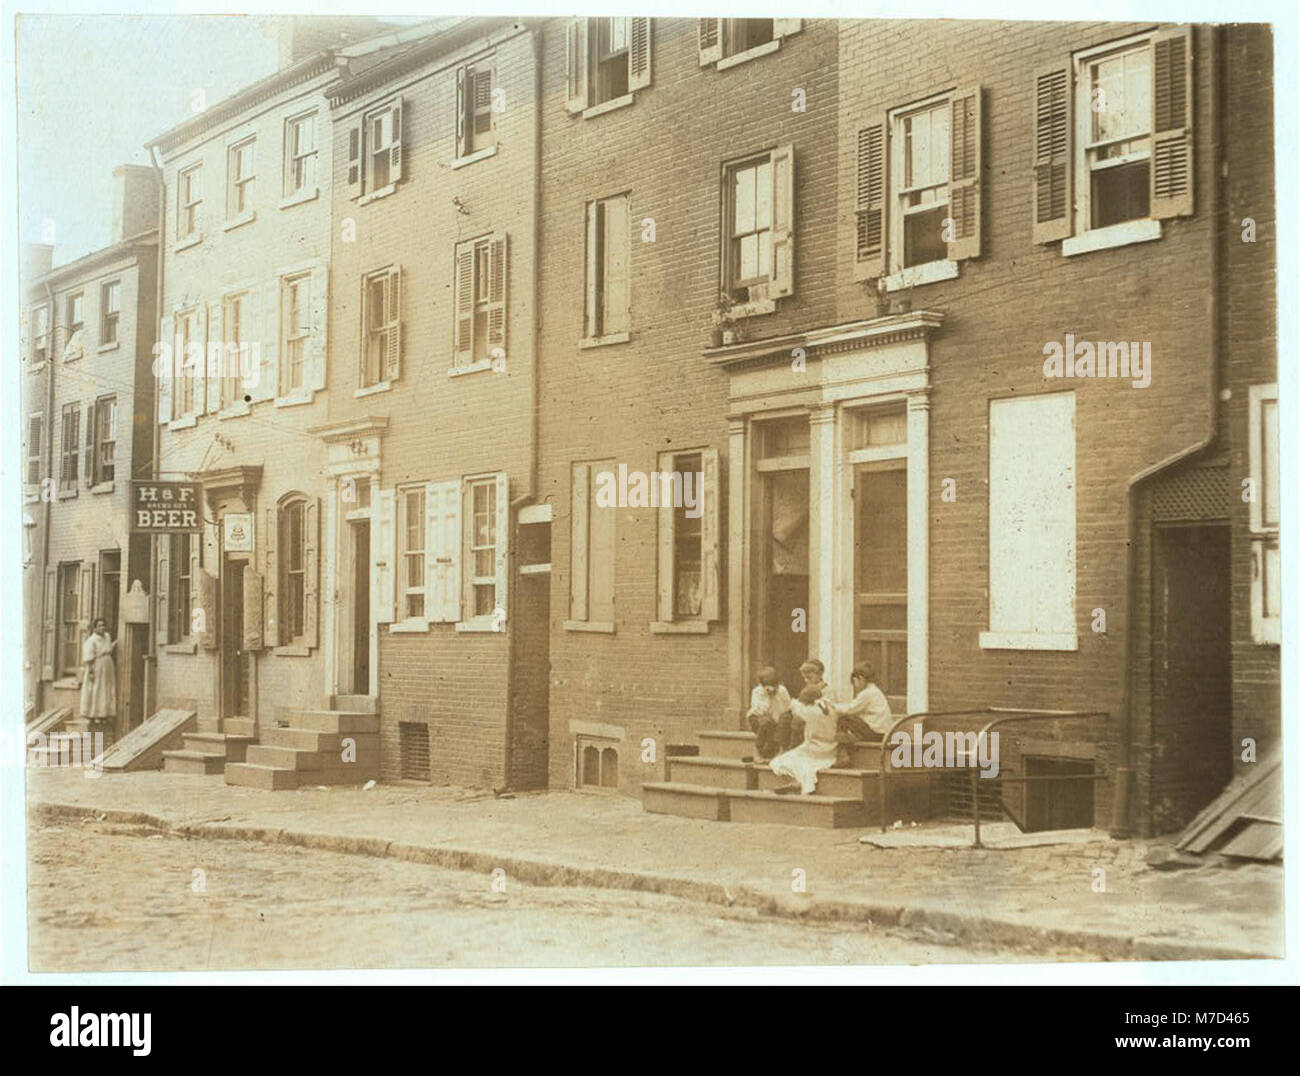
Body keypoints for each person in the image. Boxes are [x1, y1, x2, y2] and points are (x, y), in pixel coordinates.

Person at [769, 684, 839, 795]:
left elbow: (793, 706)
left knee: (780, 762)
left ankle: (800, 782)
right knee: (805, 764)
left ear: (807, 702)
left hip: (813, 749)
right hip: (831, 748)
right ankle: (799, 781)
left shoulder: (809, 711)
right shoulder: (829, 707)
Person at [777, 659, 829, 751]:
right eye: (804, 678)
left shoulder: (827, 690)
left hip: (819, 719)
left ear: (820, 675)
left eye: (809, 678)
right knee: (784, 718)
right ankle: (783, 748)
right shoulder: (807, 688)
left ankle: (794, 748)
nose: (806, 680)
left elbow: (826, 709)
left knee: (798, 721)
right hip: (805, 713)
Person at [834, 663, 892, 739]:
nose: (854, 686)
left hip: (876, 733)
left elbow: (850, 709)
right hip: (881, 731)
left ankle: (844, 746)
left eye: (854, 682)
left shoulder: (867, 693)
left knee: (845, 719)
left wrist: (832, 706)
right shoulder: (874, 690)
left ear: (861, 679)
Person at [746, 666, 791, 762]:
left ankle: (781, 750)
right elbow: (759, 711)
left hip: (777, 718)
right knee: (766, 721)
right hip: (758, 718)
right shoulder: (757, 692)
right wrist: (769, 698)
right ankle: (757, 750)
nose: (772, 687)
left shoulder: (782, 690)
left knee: (786, 719)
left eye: (774, 684)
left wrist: (776, 698)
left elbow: (787, 707)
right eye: (767, 685)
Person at [79, 617, 118, 726]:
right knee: (97, 689)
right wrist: (91, 672)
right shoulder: (91, 640)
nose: (102, 628)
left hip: (107, 665)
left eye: (103, 625)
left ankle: (105, 714)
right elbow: (89, 659)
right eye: (99, 626)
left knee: (107, 689)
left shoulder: (107, 637)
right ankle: (94, 714)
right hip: (97, 665)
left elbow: (109, 648)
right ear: (95, 628)